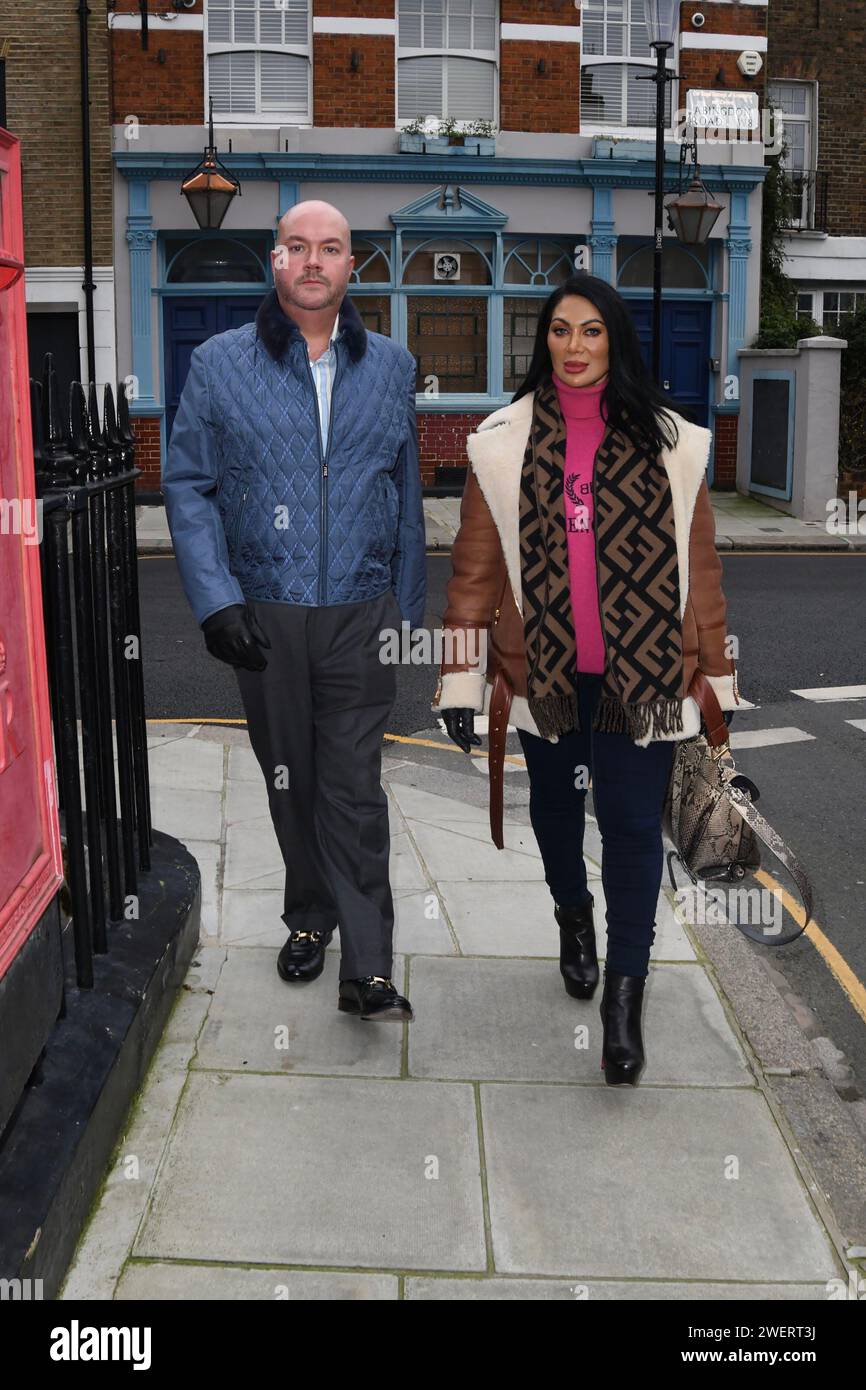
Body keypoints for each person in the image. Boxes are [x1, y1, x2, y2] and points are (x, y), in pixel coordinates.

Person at [432, 272, 740, 1084]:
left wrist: (716, 682)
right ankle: (574, 920)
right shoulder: (500, 442)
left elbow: (700, 574)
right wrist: (462, 683)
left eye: (592, 331)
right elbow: (473, 573)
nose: (574, 347)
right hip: (545, 676)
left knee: (635, 830)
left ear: (616, 340)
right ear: (545, 342)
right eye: (561, 331)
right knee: (560, 822)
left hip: (646, 681)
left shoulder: (674, 443)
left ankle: (624, 998)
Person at [163, 200, 426, 1022]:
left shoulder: (391, 365)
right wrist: (217, 601)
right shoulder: (217, 364)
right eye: (298, 247)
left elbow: (406, 495)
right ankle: (309, 917)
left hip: (361, 611)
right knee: (292, 782)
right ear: (276, 261)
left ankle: (370, 964)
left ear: (354, 265)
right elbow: (188, 487)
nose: (315, 262)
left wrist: (406, 615)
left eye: (333, 249)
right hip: (266, 615)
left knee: (354, 785)